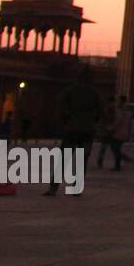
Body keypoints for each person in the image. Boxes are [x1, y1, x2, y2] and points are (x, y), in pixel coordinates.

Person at [46, 67, 103, 195]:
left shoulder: (70, 91)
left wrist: (64, 123)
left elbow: (60, 109)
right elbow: (100, 112)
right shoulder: (94, 93)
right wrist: (93, 123)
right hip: (87, 131)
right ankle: (76, 188)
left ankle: (53, 188)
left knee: (64, 159)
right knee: (82, 160)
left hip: (72, 129)